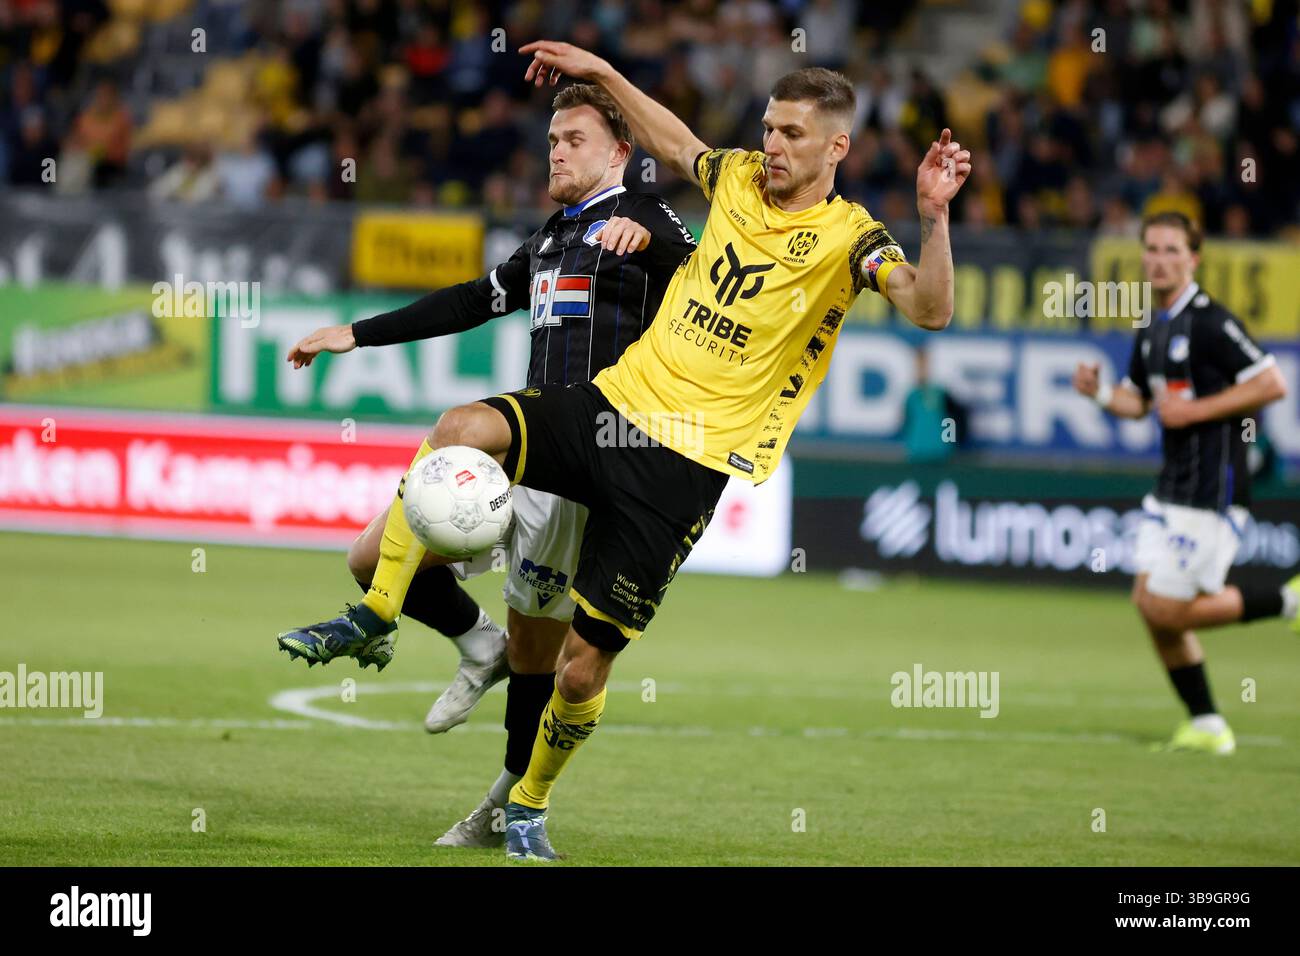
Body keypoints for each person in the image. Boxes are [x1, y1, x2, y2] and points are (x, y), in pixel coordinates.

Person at [278, 42, 971, 861]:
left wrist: (934, 217)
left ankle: (527, 804)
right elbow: (676, 140)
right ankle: (376, 612)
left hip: (684, 471)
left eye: (789, 133)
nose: (772, 146)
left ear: (837, 147)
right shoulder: (738, 179)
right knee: (462, 426)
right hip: (614, 406)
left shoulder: (856, 239)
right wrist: (603, 72)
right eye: (768, 128)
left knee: (578, 671)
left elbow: (928, 309)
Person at [279, 83, 697, 847]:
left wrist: (660, 247)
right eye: (551, 141)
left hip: (589, 465)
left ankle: (502, 806)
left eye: (573, 138)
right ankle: (477, 647)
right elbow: (472, 299)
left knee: (543, 657)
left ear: (622, 153)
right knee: (370, 556)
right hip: (522, 447)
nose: (557, 151)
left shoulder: (645, 219)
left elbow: (706, 288)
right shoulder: (549, 238)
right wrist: (356, 333)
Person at [1072, 211, 1297, 755]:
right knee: (1152, 606)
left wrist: (1197, 411)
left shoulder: (1211, 322)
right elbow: (1140, 404)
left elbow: (1272, 383)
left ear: (1194, 258)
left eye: (1173, 250)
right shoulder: (1152, 326)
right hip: (1171, 487)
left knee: (1165, 608)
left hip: (1212, 490)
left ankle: (1288, 601)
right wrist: (1101, 394)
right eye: (1152, 249)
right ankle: (1207, 724)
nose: (1160, 259)